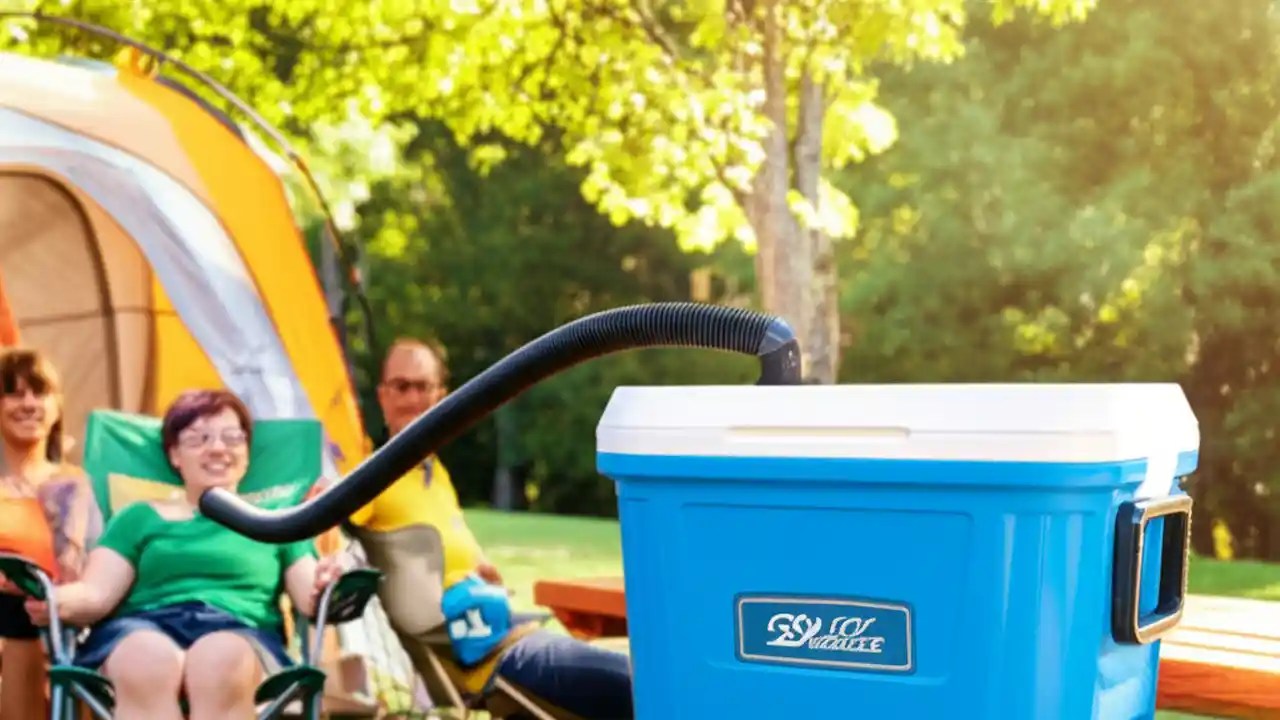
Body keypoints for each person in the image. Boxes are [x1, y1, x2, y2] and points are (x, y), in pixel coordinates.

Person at [347, 338, 634, 720]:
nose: (413, 398)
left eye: (424, 387)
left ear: (441, 398)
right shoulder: (373, 477)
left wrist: (481, 570)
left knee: (649, 675)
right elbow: (330, 526)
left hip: (506, 634)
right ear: (383, 396)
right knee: (647, 683)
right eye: (402, 386)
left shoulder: (434, 474)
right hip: (486, 660)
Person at [16, 389, 345, 720]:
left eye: (232, 437)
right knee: (144, 660)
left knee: (219, 659)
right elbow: (97, 592)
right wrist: (54, 599)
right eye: (199, 438)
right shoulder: (138, 517)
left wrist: (327, 581)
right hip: (143, 627)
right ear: (174, 454)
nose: (217, 448)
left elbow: (310, 597)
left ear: (246, 452)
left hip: (241, 629)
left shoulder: (277, 520)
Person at [0, 348, 100, 720]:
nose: (28, 404)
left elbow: (87, 571)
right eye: (13, 393)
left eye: (39, 392)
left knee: (37, 614)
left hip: (55, 616)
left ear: (57, 406)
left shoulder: (74, 486)